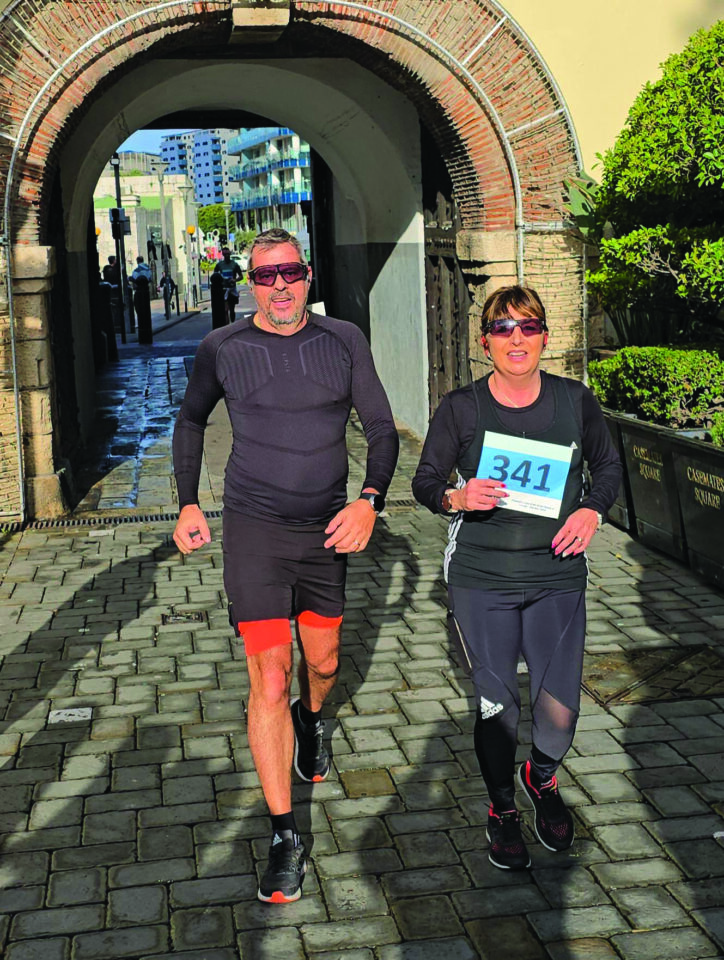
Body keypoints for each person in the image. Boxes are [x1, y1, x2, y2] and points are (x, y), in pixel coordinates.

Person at [172, 227, 399, 902]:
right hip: (254, 529)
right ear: (248, 282)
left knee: (322, 662)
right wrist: (187, 503)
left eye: (290, 273)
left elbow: (382, 428)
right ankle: (282, 833)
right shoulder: (223, 348)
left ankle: (314, 718)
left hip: (327, 527)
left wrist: (370, 503)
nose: (279, 287)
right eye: (264, 276)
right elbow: (189, 422)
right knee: (267, 675)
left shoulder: (343, 340)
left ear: (308, 276)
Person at [412, 285, 621, 871]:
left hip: (557, 575)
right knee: (496, 707)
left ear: (545, 337)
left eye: (528, 327)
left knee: (559, 715)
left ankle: (542, 777)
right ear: (485, 342)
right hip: (482, 577)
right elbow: (424, 481)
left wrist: (591, 509)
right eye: (503, 328)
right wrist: (456, 495)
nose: (516, 339)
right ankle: (502, 809)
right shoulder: (461, 408)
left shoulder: (575, 401)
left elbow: (606, 466)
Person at [213, 246, 244, 323]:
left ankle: (232, 323)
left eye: (228, 254)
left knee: (232, 309)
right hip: (223, 289)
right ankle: (227, 326)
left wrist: (235, 280)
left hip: (232, 289)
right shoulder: (219, 265)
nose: (226, 256)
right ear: (223, 255)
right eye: (225, 254)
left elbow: (241, 276)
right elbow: (215, 276)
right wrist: (219, 280)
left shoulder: (234, 264)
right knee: (225, 310)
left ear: (230, 254)